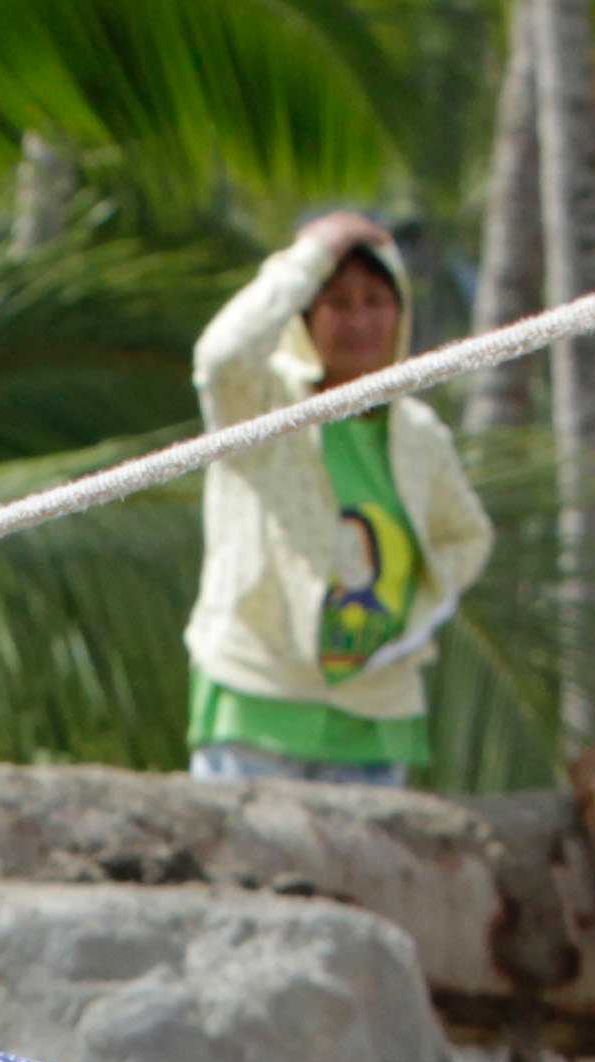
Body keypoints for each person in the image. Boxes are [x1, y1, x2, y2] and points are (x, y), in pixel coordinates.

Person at [184, 211, 493, 790]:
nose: (360, 321)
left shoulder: (421, 435)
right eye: (338, 303)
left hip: (376, 718)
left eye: (376, 301)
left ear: (400, 313)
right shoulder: (262, 405)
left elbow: (467, 537)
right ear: (305, 316)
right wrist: (310, 257)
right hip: (257, 704)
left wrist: (412, 614)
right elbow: (221, 358)